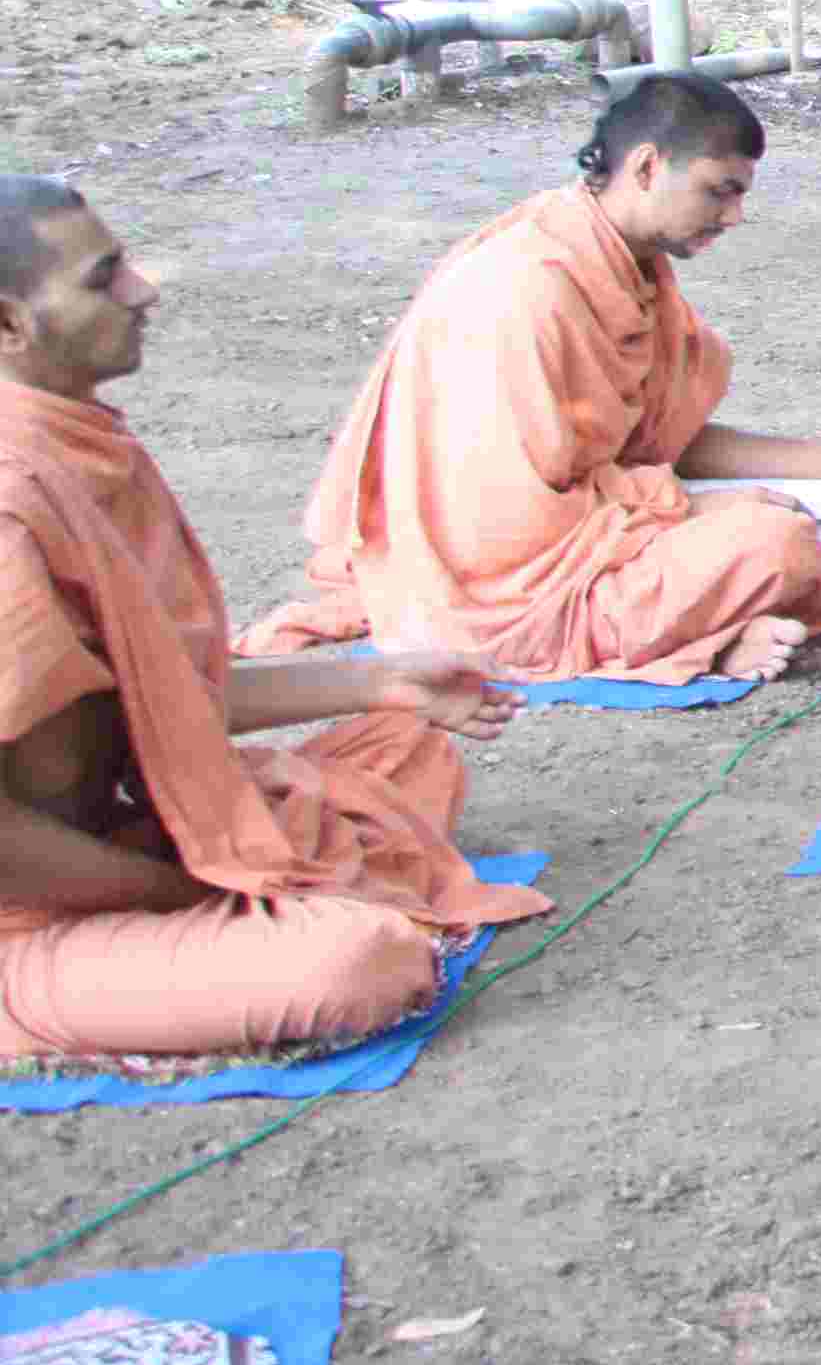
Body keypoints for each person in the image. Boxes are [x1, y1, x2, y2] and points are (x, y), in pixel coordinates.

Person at [0, 178, 545, 1066]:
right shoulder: (13, 498)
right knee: (361, 961)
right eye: (104, 279)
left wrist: (380, 680)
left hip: (119, 830)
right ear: (9, 325)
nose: (143, 290)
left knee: (407, 746)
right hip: (33, 910)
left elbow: (158, 702)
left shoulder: (72, 442)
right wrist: (185, 893)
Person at [242, 76, 821, 686]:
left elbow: (652, 441)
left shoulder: (627, 264)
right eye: (719, 191)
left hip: (606, 521)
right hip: (507, 586)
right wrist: (702, 507)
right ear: (647, 168)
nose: (734, 216)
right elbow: (507, 527)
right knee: (776, 544)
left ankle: (715, 617)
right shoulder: (523, 290)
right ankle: (708, 638)